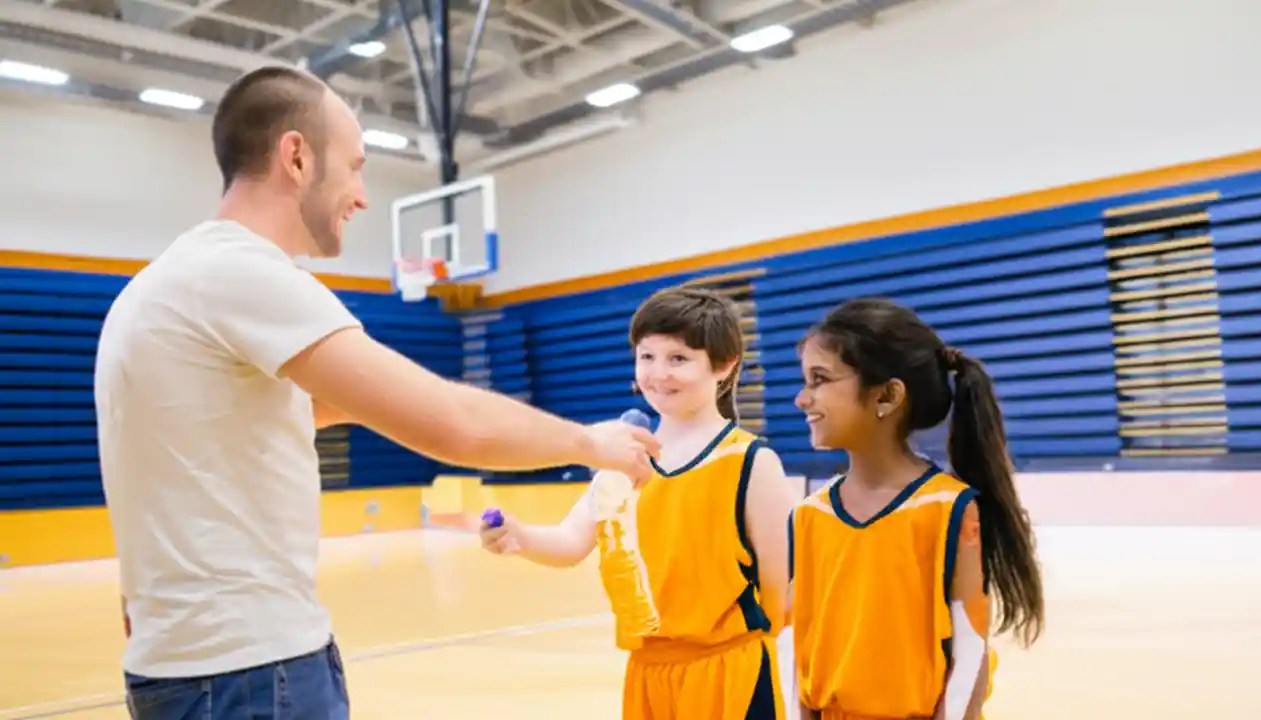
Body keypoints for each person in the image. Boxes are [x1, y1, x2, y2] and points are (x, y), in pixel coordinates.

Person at [94, 65, 659, 719]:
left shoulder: (161, 286)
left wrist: (375, 401)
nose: (361, 195)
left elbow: (248, 426)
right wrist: (593, 443)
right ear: (297, 157)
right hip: (251, 675)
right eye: (356, 166)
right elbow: (455, 426)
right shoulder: (240, 274)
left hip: (189, 669)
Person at [479, 286, 798, 719]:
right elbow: (570, 542)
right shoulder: (621, 457)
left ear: (724, 366)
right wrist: (519, 536)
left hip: (729, 672)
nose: (658, 373)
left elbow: (779, 594)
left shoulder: (751, 462)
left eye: (678, 358)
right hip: (648, 675)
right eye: (647, 356)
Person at [788, 297, 1045, 720]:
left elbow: (969, 652)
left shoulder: (949, 509)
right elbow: (796, 649)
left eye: (820, 379)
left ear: (887, 395)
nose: (801, 399)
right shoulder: (809, 515)